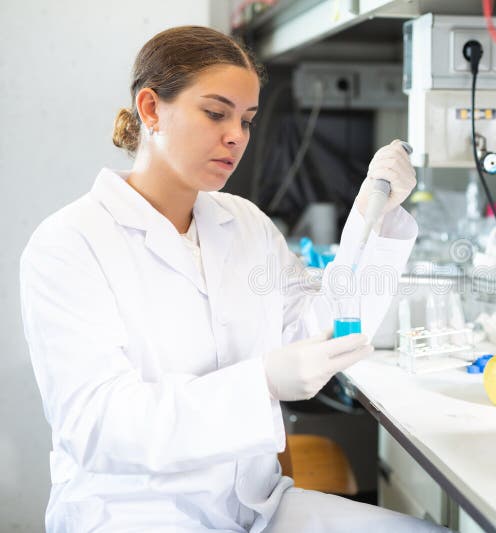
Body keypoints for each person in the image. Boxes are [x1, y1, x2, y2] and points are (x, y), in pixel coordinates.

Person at [20, 26, 443, 532]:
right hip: (135, 513)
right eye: (216, 113)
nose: (236, 136)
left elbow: (327, 327)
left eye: (246, 120)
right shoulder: (70, 243)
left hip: (256, 507)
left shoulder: (244, 224)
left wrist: (375, 216)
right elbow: (99, 424)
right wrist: (260, 383)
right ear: (151, 109)